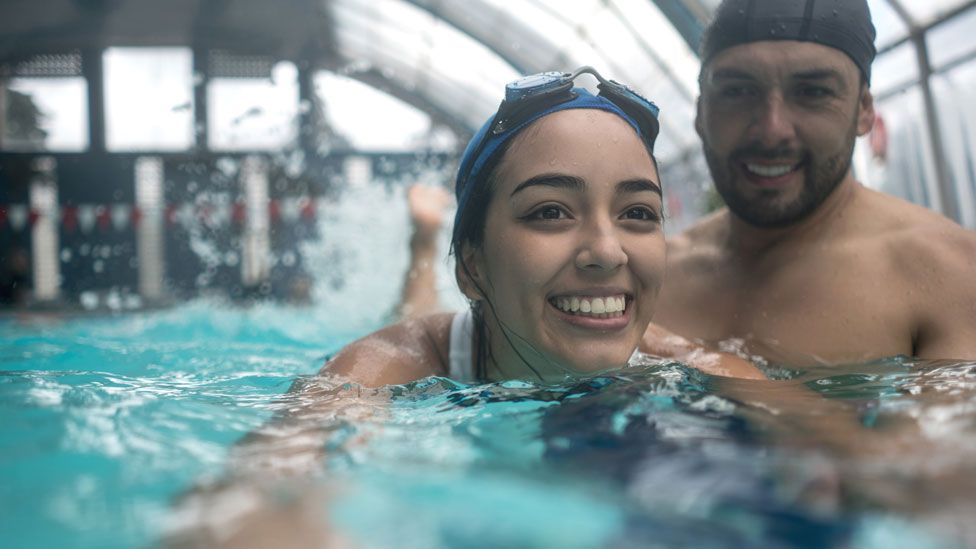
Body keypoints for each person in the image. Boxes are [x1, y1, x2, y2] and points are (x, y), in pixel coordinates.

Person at [329, 66, 763, 387]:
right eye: (551, 212)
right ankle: (424, 242)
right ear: (472, 265)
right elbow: (300, 462)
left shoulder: (689, 364)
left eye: (637, 212)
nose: (608, 253)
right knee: (418, 312)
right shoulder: (394, 362)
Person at [652, 0, 976, 365]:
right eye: (738, 91)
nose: (772, 130)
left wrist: (694, 357)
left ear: (864, 111)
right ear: (700, 112)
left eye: (813, 92)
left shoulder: (950, 277)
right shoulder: (654, 275)